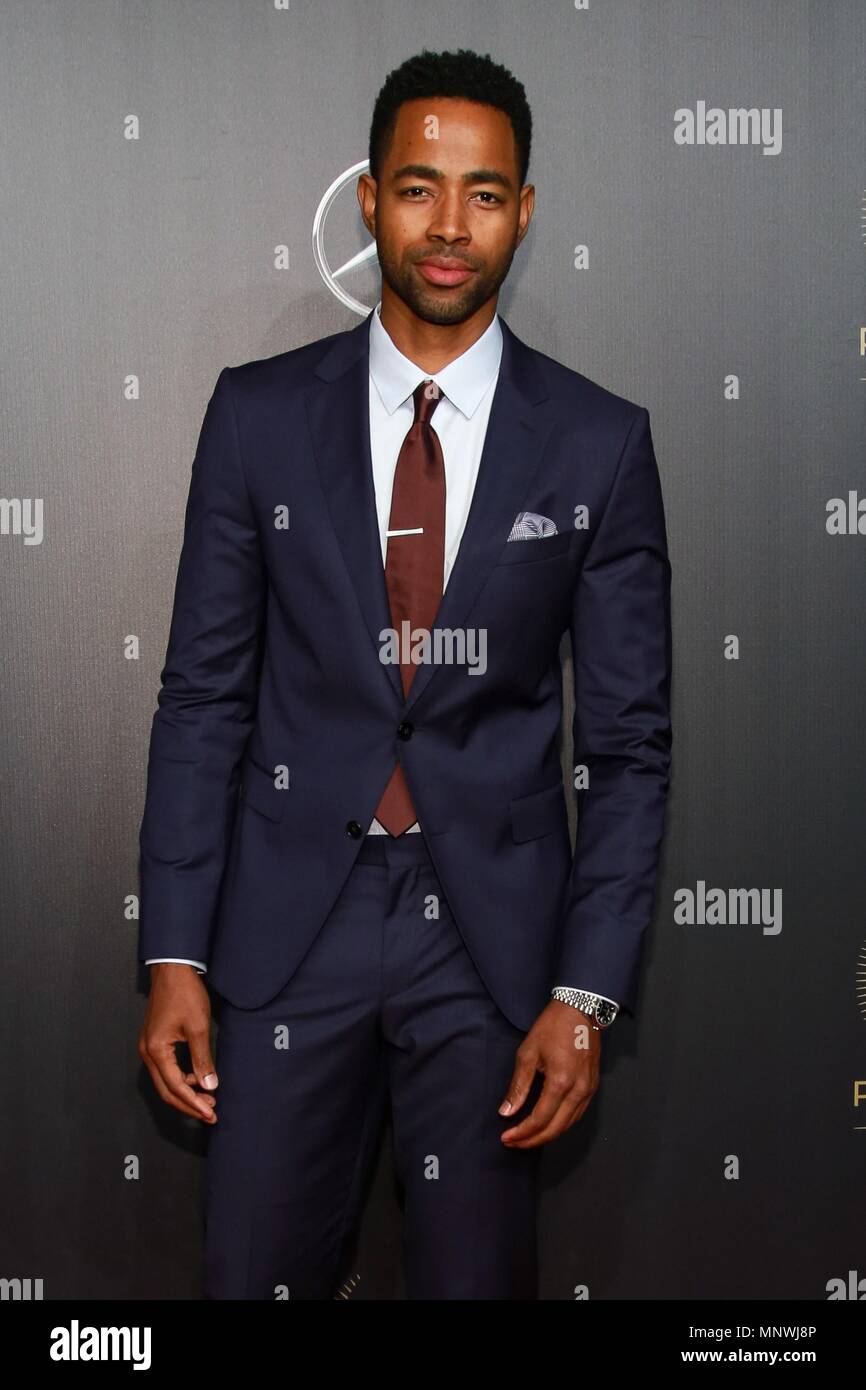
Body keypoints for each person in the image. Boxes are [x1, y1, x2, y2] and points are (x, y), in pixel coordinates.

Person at [137, 47, 672, 1300]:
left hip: (490, 951)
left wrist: (584, 991)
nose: (448, 227)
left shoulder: (599, 443)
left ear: (524, 212)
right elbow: (203, 697)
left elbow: (628, 744)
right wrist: (171, 948)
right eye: (418, 187)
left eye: (483, 194)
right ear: (368, 197)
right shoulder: (255, 415)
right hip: (282, 932)